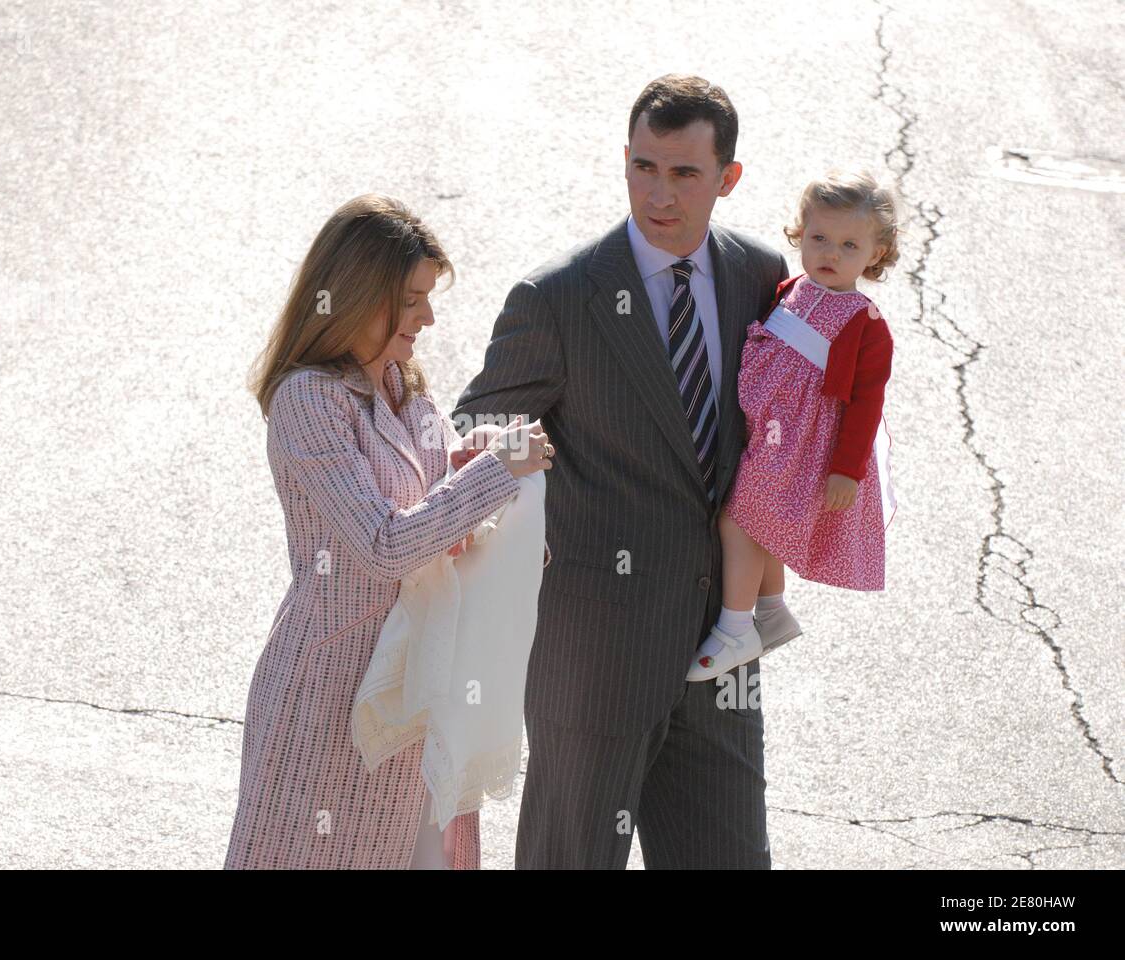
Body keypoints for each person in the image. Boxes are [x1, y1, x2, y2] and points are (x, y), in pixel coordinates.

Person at [451, 74, 786, 868]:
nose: (659, 193)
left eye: (684, 173)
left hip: (720, 647)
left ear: (728, 179)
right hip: (593, 654)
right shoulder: (559, 296)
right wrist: (505, 473)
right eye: (643, 167)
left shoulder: (763, 276)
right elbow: (471, 427)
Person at [223, 193, 553, 870]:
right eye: (411, 299)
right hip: (329, 697)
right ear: (354, 296)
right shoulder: (307, 401)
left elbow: (435, 501)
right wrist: (491, 473)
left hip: (415, 687)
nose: (428, 317)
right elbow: (384, 545)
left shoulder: (404, 386)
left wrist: (476, 458)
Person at [687, 170, 900, 681]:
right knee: (758, 525)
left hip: (805, 450)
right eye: (819, 237)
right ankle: (773, 611)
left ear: (875, 253)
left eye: (849, 244)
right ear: (799, 233)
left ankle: (737, 626)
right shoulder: (791, 288)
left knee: (739, 521)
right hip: (767, 435)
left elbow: (867, 405)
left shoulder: (864, 324)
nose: (830, 252)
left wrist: (845, 470)